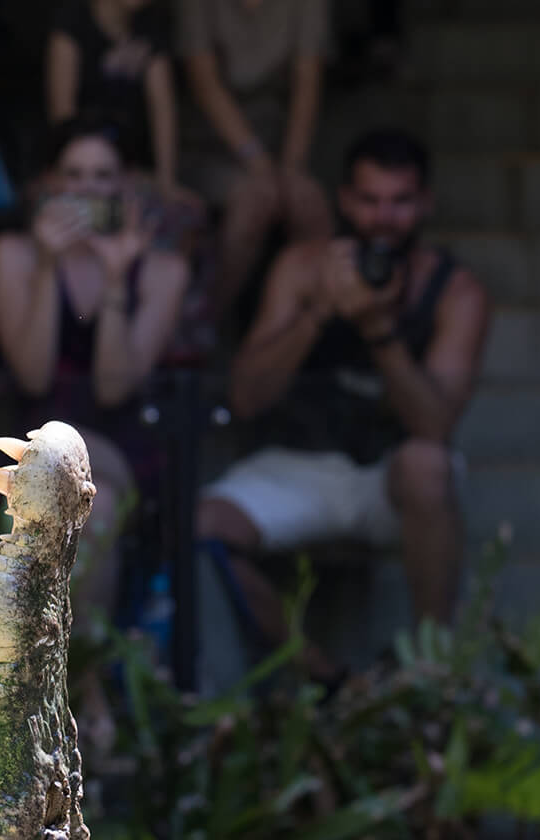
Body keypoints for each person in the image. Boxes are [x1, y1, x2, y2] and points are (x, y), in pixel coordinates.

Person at [195, 127, 490, 685]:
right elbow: (245, 396)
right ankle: (329, 682)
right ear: (346, 201)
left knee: (428, 464)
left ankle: (434, 670)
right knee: (199, 528)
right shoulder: (303, 269)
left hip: (390, 474)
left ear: (425, 203)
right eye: (371, 201)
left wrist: (379, 331)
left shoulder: (457, 292)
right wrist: (318, 313)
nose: (384, 219)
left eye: (400, 202)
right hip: (297, 463)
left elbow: (436, 425)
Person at [0, 115, 191, 644]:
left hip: (119, 443)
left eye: (103, 177)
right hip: (35, 434)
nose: (87, 190)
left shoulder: (163, 271)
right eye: (74, 175)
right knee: (57, 492)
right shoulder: (13, 256)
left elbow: (113, 389)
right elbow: (32, 374)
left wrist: (118, 279)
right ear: (50, 185)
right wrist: (50, 267)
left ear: (127, 187)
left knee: (90, 512)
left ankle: (86, 676)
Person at [176, 0, 334, 328]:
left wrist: (291, 169)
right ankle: (206, 326)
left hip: (281, 148)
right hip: (208, 147)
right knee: (256, 201)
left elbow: (308, 80)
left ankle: (316, 332)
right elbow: (204, 82)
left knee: (309, 203)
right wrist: (259, 165)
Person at [46, 0, 179, 197]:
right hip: (76, 160)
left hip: (130, 164)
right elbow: (63, 117)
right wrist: (70, 170)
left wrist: (166, 181)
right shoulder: (71, 25)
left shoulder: (151, 27)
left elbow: (163, 112)